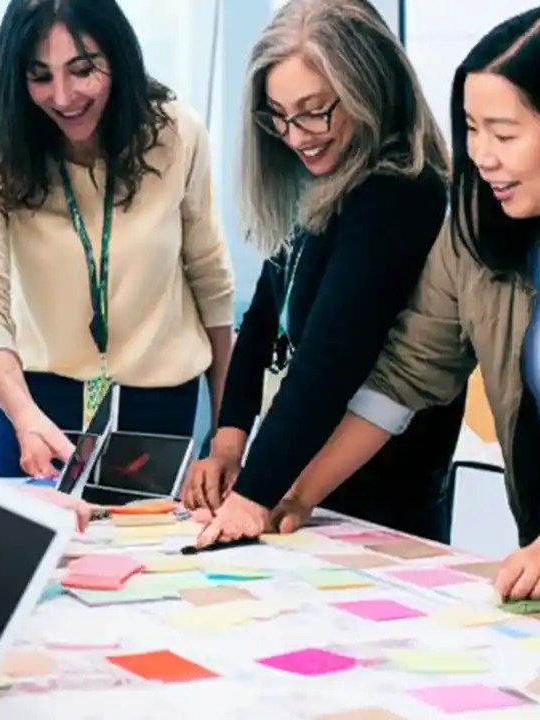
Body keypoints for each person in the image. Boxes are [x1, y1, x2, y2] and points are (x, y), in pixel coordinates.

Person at [234, 4, 540, 602]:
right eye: (472, 129)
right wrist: (297, 495)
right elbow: (405, 376)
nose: (482, 155)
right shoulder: (477, 234)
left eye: (504, 134)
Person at [185, 0, 463, 544]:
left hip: (380, 488)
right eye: (279, 115)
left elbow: (329, 358)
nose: (296, 136)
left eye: (314, 110)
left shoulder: (396, 192)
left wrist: (252, 494)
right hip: (306, 478)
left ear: (369, 88)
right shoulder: (316, 180)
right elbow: (264, 314)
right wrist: (227, 442)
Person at [0, 0, 235, 479]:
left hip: (161, 404)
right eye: (39, 75)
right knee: (22, 549)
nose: (63, 96)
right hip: (38, 406)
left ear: (117, 57)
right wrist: (23, 416)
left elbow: (210, 278)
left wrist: (228, 433)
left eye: (83, 70)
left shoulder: (174, 133)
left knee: (161, 553)